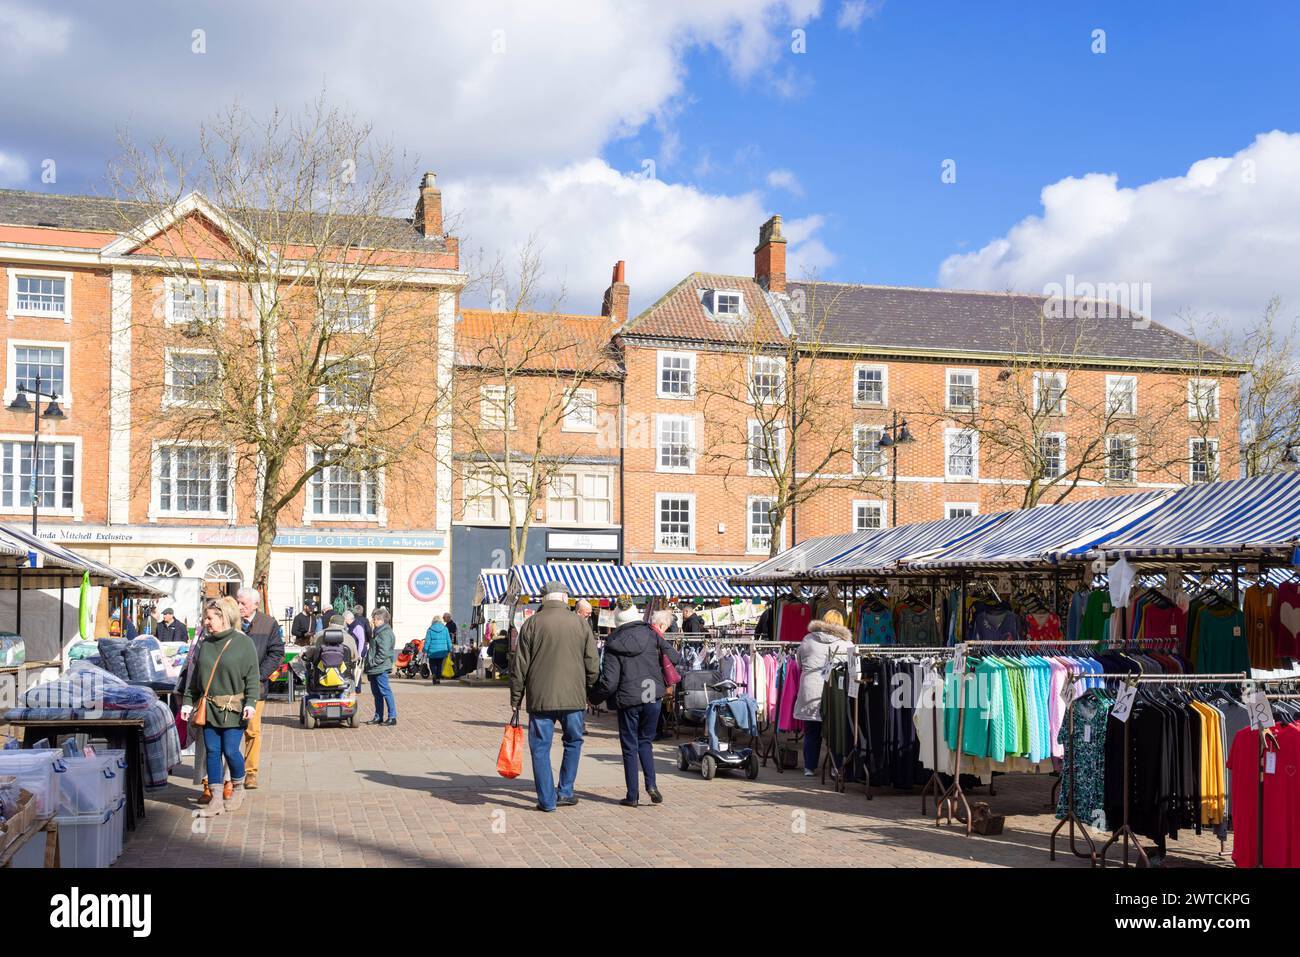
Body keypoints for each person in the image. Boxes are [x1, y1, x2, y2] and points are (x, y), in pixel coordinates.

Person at [510, 580, 600, 812]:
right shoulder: (580, 624)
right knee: (573, 742)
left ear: (544, 599)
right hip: (573, 697)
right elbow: (592, 663)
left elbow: (519, 666)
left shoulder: (531, 624)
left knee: (540, 748)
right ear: (564, 598)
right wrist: (590, 690)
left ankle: (547, 800)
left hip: (540, 698)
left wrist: (515, 699)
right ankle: (566, 790)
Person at [590, 604, 682, 807]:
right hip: (651, 693)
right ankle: (652, 785)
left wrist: (594, 698)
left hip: (628, 698)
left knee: (630, 747)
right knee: (645, 742)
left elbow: (610, 681)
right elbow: (675, 657)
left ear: (618, 621)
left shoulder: (613, 642)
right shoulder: (651, 634)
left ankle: (633, 795)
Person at [181, 597, 260, 817]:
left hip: (234, 708)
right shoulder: (205, 644)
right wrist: (188, 702)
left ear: (224, 617)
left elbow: (253, 677)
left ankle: (238, 787)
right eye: (205, 618)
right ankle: (215, 798)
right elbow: (196, 679)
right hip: (210, 708)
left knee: (231, 750)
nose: (206, 622)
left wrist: (251, 703)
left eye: (209, 618)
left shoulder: (244, 643)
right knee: (212, 753)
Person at [793, 609, 854, 777]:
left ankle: (809, 767)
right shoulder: (847, 645)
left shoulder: (808, 640)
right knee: (835, 732)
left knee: (811, 732)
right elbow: (854, 670)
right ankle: (836, 768)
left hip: (810, 689)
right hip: (835, 693)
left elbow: (799, 663)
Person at [236, 586, 285, 790]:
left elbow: (276, 653)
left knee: (252, 731)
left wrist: (259, 677)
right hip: (231, 687)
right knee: (230, 732)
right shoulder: (230, 621)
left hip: (256, 688)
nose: (239, 607)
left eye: (243, 604)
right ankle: (232, 772)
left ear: (255, 605)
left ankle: (251, 773)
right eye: (237, 602)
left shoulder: (268, 623)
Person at [363, 606, 398, 725]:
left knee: (385, 691)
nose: (373, 621)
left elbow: (383, 653)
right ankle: (378, 716)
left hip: (380, 667)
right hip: (376, 668)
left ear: (381, 620)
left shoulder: (385, 633)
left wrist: (372, 663)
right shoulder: (378, 632)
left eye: (375, 619)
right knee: (377, 693)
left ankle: (392, 717)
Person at [424, 613, 452, 684]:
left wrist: (425, 650)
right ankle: (438, 678)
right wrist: (450, 649)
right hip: (442, 651)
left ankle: (434, 674)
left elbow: (427, 641)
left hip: (432, 651)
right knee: (439, 665)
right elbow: (448, 640)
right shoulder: (445, 629)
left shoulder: (430, 630)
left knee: (432, 664)